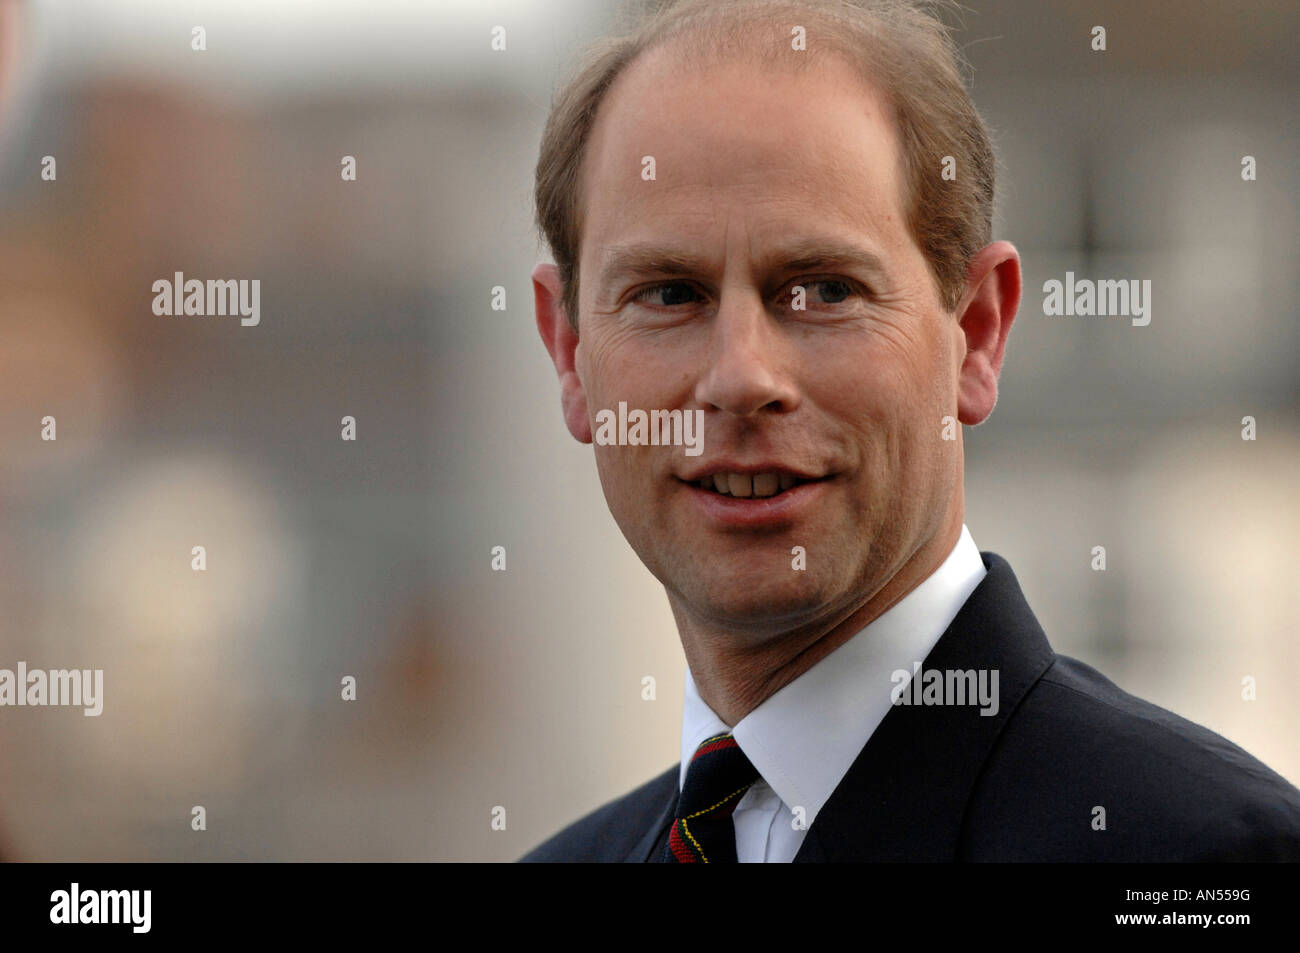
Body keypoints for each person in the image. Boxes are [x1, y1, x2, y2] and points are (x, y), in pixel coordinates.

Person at [521, 0, 1300, 862]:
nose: (742, 377)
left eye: (822, 289)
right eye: (670, 294)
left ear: (978, 333)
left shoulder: (1204, 860)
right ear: (568, 351)